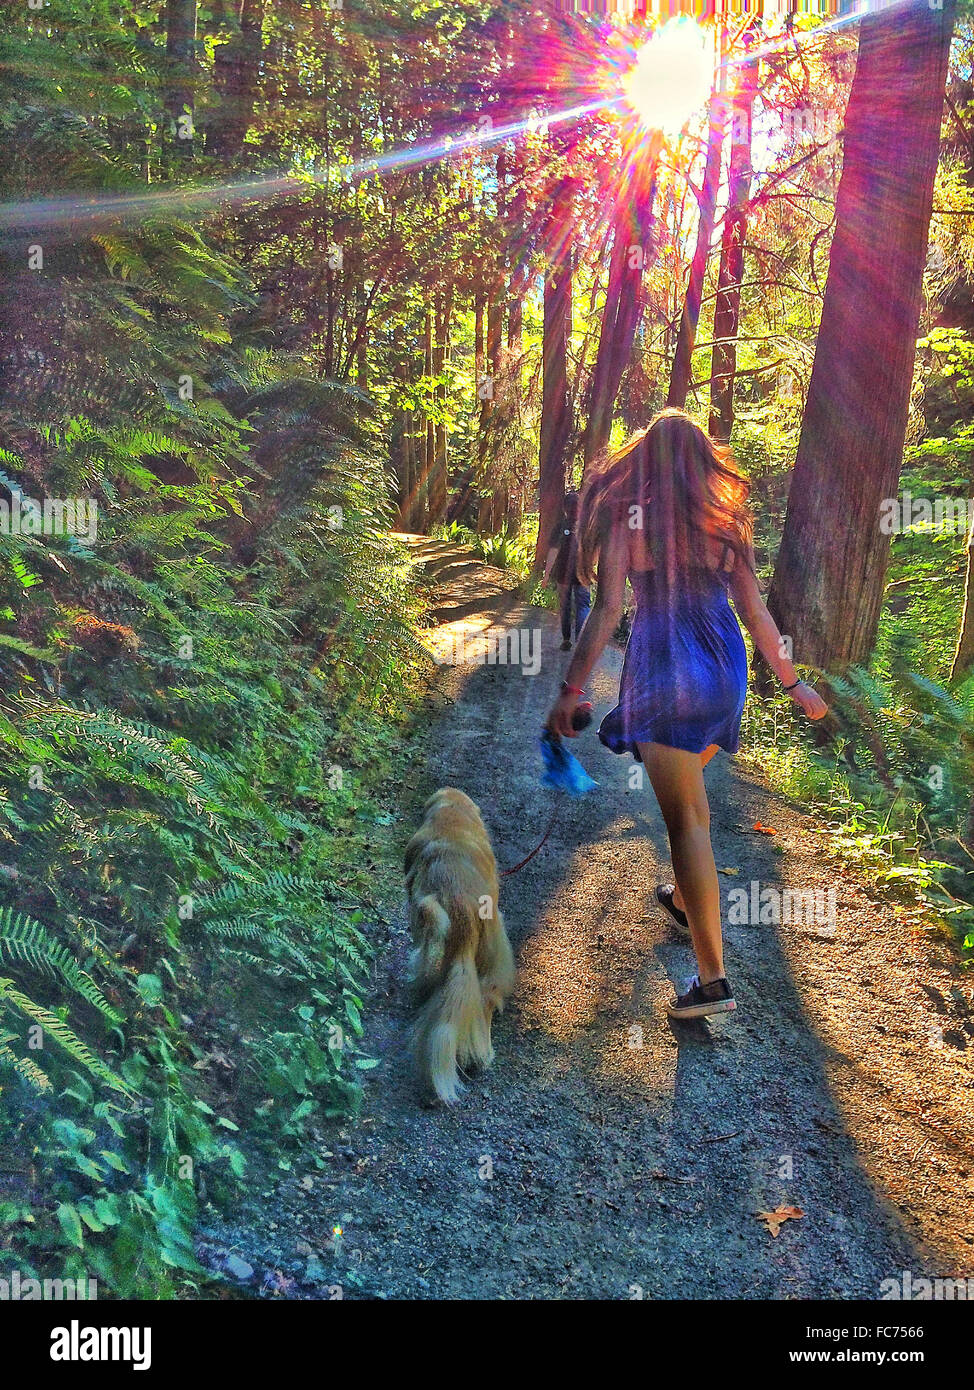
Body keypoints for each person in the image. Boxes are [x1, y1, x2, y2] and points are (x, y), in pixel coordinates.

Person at [545, 409, 827, 1021]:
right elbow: (757, 615)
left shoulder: (629, 522)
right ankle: (682, 898)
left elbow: (607, 611)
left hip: (668, 668)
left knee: (687, 821)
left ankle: (713, 981)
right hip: (724, 674)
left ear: (644, 463)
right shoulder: (726, 526)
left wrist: (570, 688)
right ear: (704, 465)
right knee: (689, 796)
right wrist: (794, 682)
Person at [542, 490, 591, 651]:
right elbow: (594, 551)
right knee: (583, 606)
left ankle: (566, 639)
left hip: (563, 574)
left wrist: (547, 574)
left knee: (565, 607)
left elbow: (553, 551)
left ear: (565, 508)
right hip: (583, 574)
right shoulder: (587, 527)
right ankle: (580, 640)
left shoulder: (560, 527)